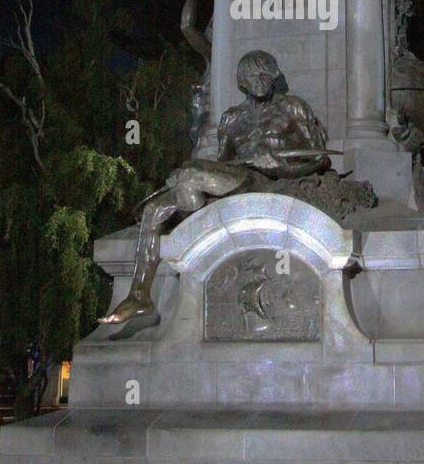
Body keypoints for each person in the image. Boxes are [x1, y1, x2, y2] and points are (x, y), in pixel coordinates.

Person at [98, 51, 329, 329]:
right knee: (152, 209)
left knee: (190, 174)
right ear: (241, 81)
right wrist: (196, 174)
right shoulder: (231, 119)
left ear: (275, 75)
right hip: (234, 179)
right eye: (253, 75)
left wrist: (278, 165)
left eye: (266, 73)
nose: (261, 80)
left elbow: (319, 158)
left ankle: (190, 195)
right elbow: (222, 163)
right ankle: (139, 296)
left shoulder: (292, 108)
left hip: (264, 181)